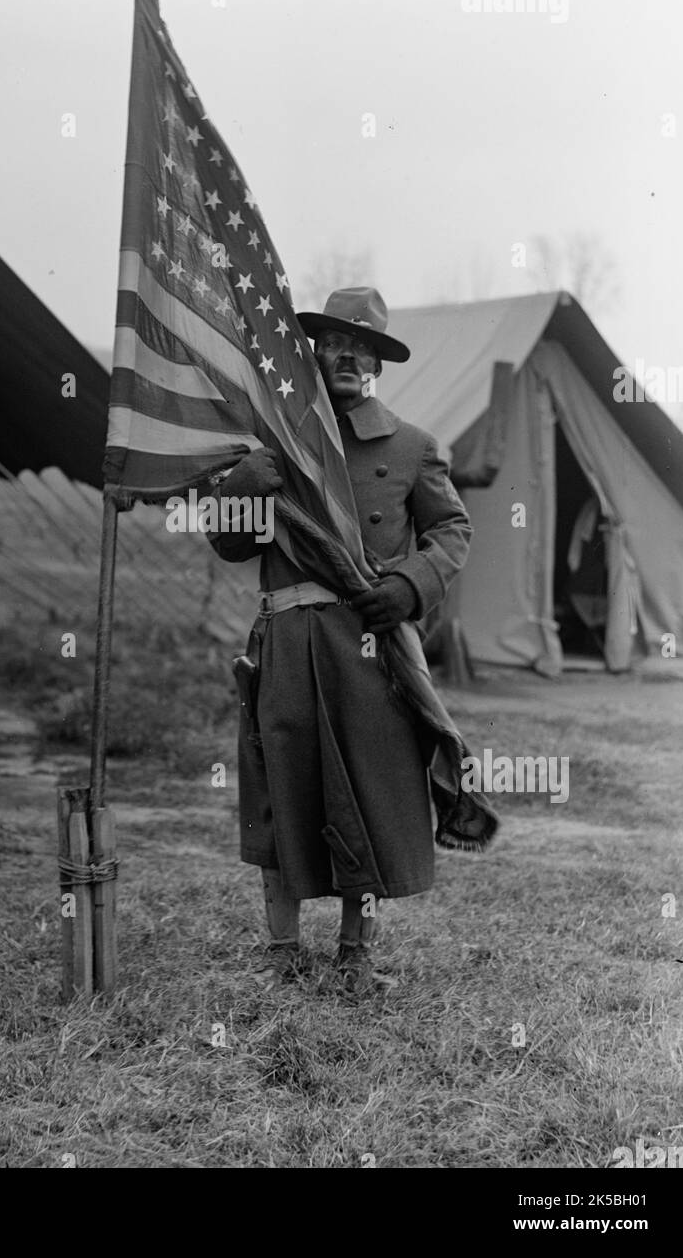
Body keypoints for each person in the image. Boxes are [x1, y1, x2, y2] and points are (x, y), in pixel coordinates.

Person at [209, 286, 474, 994]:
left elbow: (453, 531)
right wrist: (245, 483)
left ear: (377, 364)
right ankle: (281, 951)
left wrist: (411, 585)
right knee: (281, 785)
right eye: (334, 345)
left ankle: (356, 954)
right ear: (314, 353)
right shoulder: (274, 440)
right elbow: (229, 544)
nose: (348, 357)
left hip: (365, 639)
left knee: (366, 785)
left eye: (363, 349)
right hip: (286, 638)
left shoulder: (413, 446)